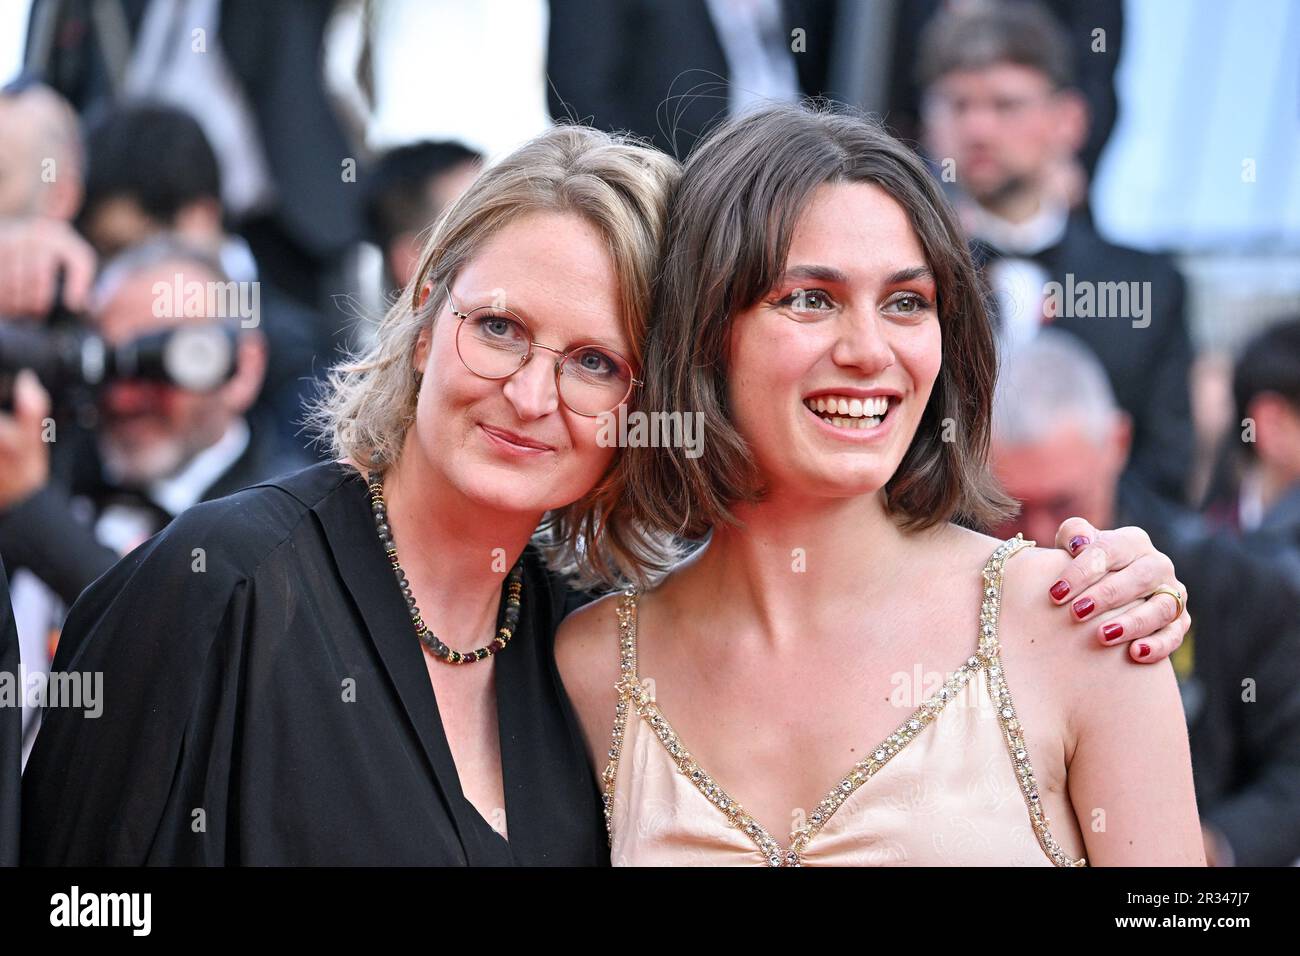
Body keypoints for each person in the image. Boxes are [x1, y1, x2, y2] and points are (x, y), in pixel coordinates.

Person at [21, 121, 1187, 866]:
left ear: (650, 392)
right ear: (425, 311)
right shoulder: (230, 584)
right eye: (498, 328)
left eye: (595, 362)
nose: (533, 392)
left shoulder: (566, 647)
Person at [557, 103, 1201, 866]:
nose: (868, 350)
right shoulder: (595, 666)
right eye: (809, 299)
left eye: (906, 302)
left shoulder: (1078, 623)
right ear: (702, 332)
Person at [990, 329, 1300, 866]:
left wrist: (1203, 847)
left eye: (1065, 502)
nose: (1041, 533)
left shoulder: (1234, 582)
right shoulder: (955, 577)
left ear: (1118, 443)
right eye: (1012, 508)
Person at [917, 0, 1194, 504]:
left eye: (1006, 105)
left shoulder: (1150, 286)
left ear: (1069, 120)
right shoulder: (908, 277)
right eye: (958, 105)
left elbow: (1167, 469)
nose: (978, 129)